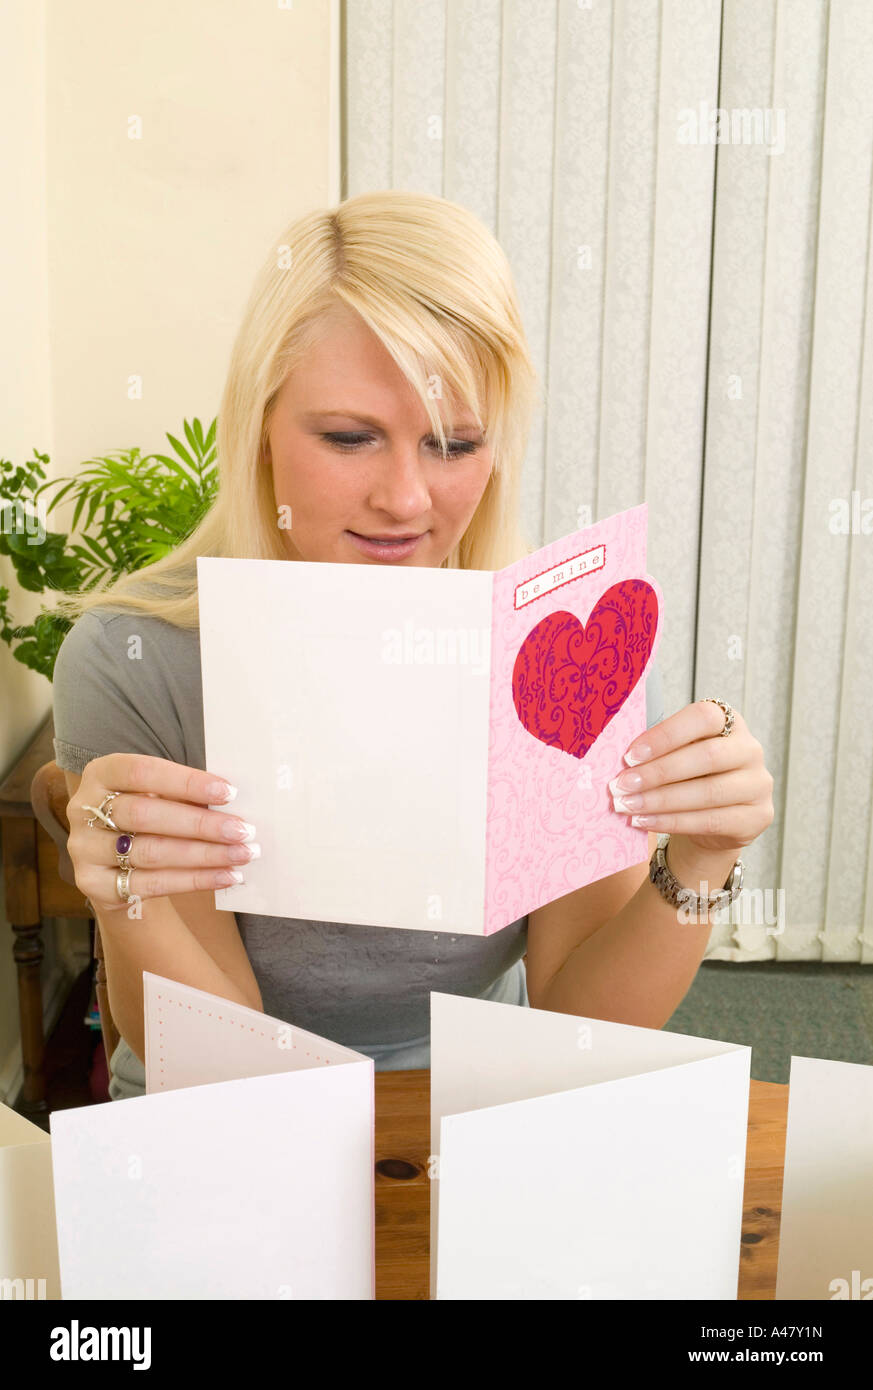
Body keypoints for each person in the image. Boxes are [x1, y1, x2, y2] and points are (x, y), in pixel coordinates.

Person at [51, 190, 774, 1100]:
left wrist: (698, 860)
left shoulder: (559, 649)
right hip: (224, 1104)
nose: (405, 498)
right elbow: (208, 1060)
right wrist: (127, 895)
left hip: (475, 1089)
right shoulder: (138, 657)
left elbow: (578, 1024)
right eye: (350, 437)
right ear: (260, 427)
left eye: (453, 443)